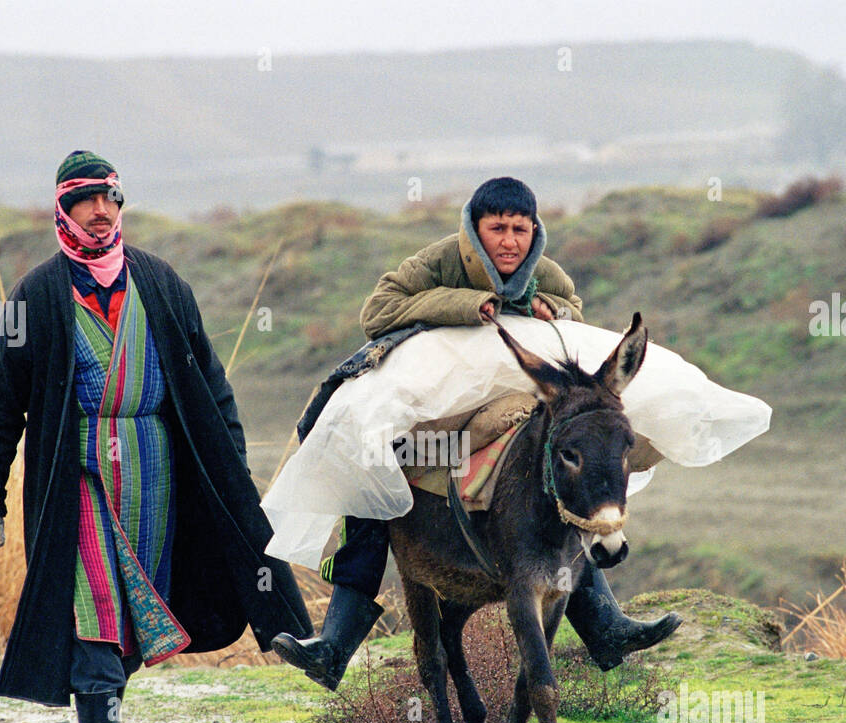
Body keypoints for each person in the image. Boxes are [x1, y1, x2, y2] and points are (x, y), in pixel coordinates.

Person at [0, 151, 311, 723]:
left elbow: (209, 381)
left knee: (135, 603)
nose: (101, 211)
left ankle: (108, 711)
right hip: (77, 471)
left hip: (155, 469)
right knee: (91, 595)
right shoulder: (36, 296)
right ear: (62, 209)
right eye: (86, 200)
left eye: (110, 199)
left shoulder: (162, 282)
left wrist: (228, 465)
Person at [272, 177, 680, 691]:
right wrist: (467, 305)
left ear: (535, 231)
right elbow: (377, 311)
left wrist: (554, 313)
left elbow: (575, 314)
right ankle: (335, 644)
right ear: (475, 228)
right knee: (374, 477)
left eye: (520, 229)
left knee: (563, 471)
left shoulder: (547, 273)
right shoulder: (437, 262)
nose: (510, 241)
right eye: (497, 229)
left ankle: (604, 624)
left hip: (517, 402)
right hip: (438, 406)